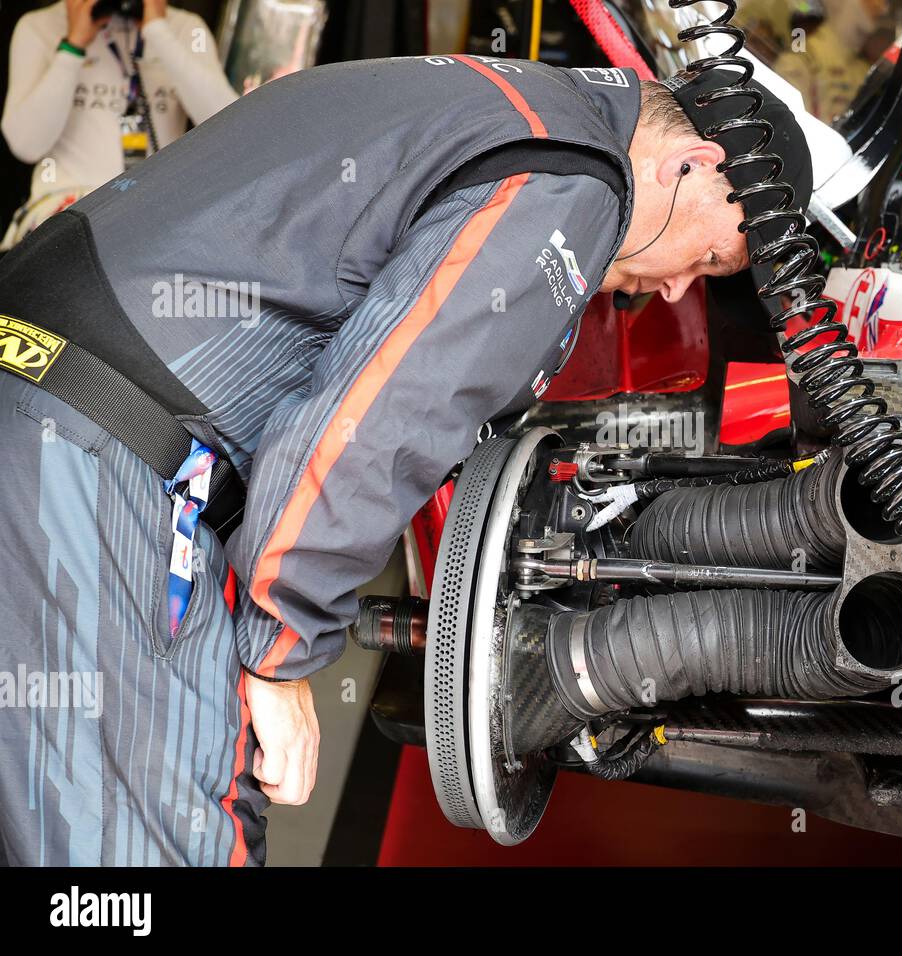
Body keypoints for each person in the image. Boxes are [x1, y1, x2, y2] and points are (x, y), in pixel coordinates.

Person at [0, 54, 811, 865]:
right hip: (99, 460)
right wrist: (282, 655)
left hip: (39, 396)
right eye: (711, 259)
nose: (677, 292)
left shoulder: (501, 98)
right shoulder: (574, 179)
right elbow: (383, 418)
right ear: (693, 164)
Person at [1, 0, 236, 248]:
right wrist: (72, 47)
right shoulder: (39, 26)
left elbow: (230, 126)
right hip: (67, 206)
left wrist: (158, 32)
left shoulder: (187, 28)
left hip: (153, 206)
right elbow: (26, 144)